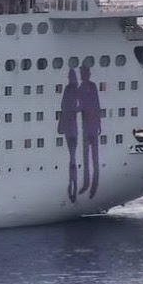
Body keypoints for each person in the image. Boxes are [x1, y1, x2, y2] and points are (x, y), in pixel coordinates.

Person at [77, 64, 103, 198]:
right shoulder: (80, 88)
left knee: (95, 156)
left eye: (83, 72)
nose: (81, 74)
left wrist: (99, 124)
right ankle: (86, 183)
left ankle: (95, 184)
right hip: (85, 125)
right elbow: (81, 105)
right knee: (86, 156)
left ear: (87, 74)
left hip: (92, 124)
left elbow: (96, 104)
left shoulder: (92, 86)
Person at [58, 68, 81, 202]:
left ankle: (72, 186)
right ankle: (73, 187)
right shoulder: (73, 89)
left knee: (72, 157)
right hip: (70, 124)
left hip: (69, 124)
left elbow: (63, 106)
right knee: (72, 157)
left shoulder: (68, 89)